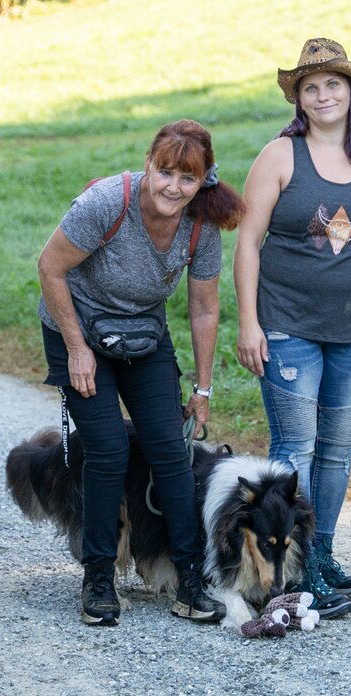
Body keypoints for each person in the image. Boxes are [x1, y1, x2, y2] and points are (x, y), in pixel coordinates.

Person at [37, 120, 244, 628]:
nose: (173, 186)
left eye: (188, 178)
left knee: (170, 452)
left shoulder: (200, 226)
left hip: (142, 334)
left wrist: (202, 388)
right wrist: (76, 349)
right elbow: (49, 268)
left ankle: (191, 579)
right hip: (78, 328)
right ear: (148, 163)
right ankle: (99, 579)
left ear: (204, 181)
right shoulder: (108, 202)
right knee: (107, 450)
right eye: (165, 171)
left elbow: (203, 309)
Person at [233, 38, 351, 616]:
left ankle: (324, 553)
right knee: (295, 450)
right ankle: (295, 570)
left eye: (333, 83)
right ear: (299, 100)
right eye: (311, 87)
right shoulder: (280, 157)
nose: (323, 94)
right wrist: (249, 322)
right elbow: (248, 243)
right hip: (287, 329)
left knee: (336, 453)